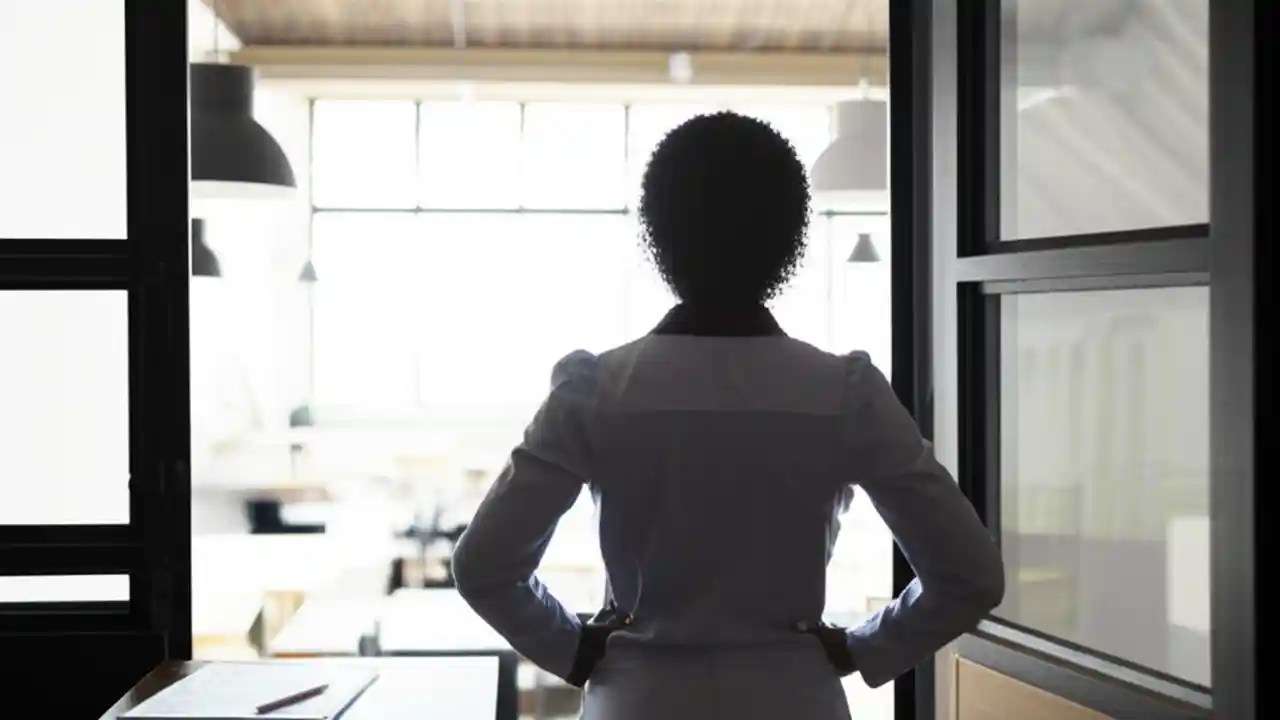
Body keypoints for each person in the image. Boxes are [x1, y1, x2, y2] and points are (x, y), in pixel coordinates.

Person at [452, 112, 1004, 719]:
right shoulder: (844, 392)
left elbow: (485, 566)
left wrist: (568, 648)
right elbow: (969, 575)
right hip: (794, 700)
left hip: (639, 701)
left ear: (659, 234)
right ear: (788, 237)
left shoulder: (596, 390)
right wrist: (862, 648)